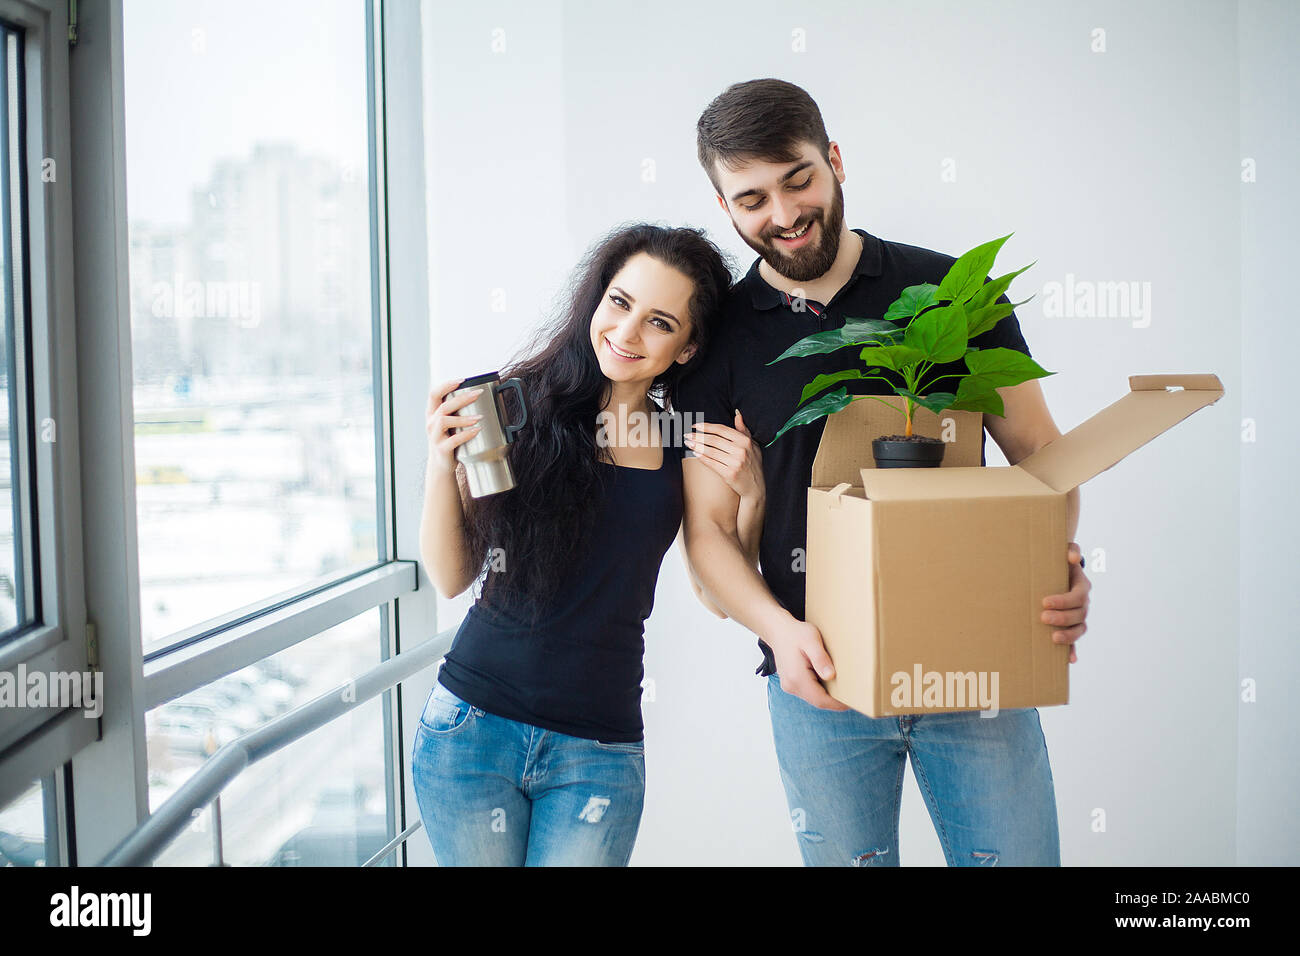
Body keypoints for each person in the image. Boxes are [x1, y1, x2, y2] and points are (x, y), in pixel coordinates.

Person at [676, 78, 1093, 866]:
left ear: (834, 160)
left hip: (973, 663)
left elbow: (1041, 455)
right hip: (816, 679)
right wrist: (781, 635)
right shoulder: (720, 339)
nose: (785, 213)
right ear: (726, 209)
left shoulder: (950, 294)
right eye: (752, 198)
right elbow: (706, 531)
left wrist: (1054, 561)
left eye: (798, 179)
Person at [412, 222, 764, 866]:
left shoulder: (681, 442)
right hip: (471, 730)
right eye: (620, 303)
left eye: (660, 322)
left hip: (596, 752)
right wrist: (441, 466)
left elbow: (716, 597)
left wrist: (752, 499)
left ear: (688, 347)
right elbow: (450, 576)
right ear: (597, 300)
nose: (627, 334)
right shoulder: (507, 404)